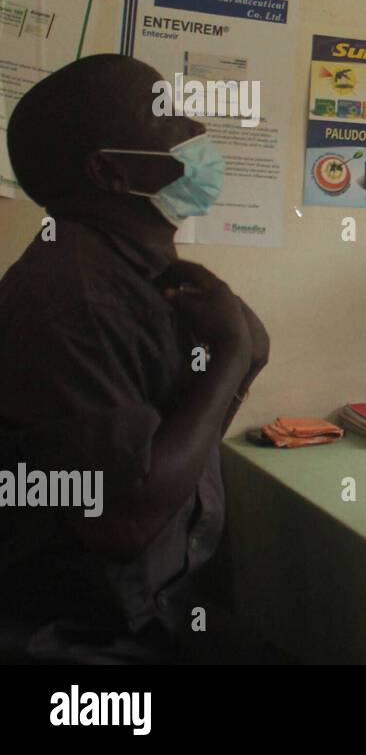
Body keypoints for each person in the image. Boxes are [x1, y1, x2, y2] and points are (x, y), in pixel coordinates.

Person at [0, 54, 268, 663]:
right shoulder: (74, 295)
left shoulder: (137, 272)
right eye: (165, 114)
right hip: (78, 644)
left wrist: (239, 359)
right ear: (111, 172)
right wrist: (228, 357)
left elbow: (172, 447)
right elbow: (119, 520)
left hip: (155, 613)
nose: (195, 127)